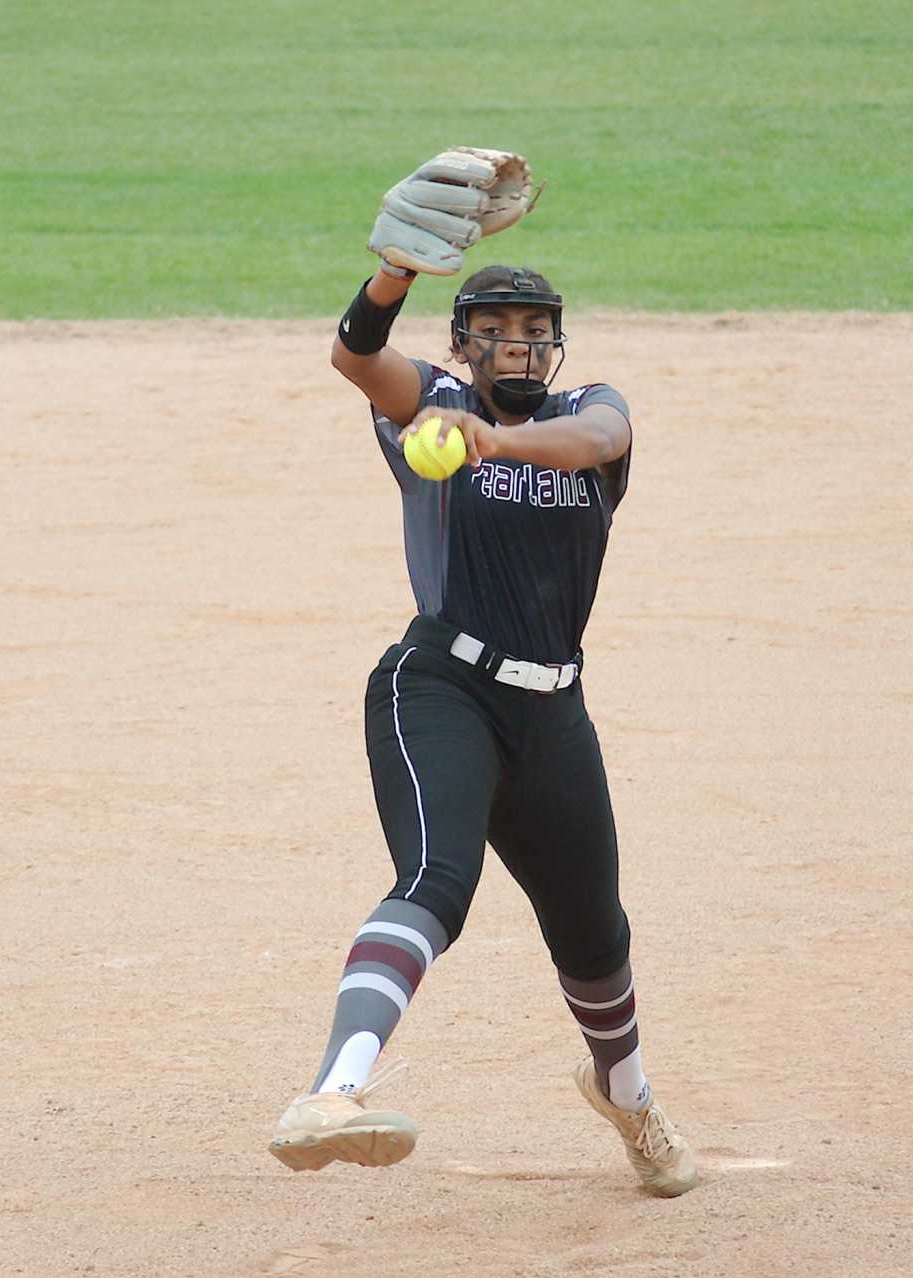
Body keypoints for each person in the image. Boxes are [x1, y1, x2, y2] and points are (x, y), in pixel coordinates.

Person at [266, 150, 699, 1197]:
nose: (516, 345)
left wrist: (491, 441)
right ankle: (331, 1092)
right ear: (460, 343)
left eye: (532, 332)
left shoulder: (586, 412)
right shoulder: (429, 400)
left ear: (555, 346)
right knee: (434, 885)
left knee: (595, 941)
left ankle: (629, 1102)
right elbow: (353, 355)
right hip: (439, 690)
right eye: (493, 331)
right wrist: (393, 273)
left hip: (554, 714)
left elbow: (596, 436)